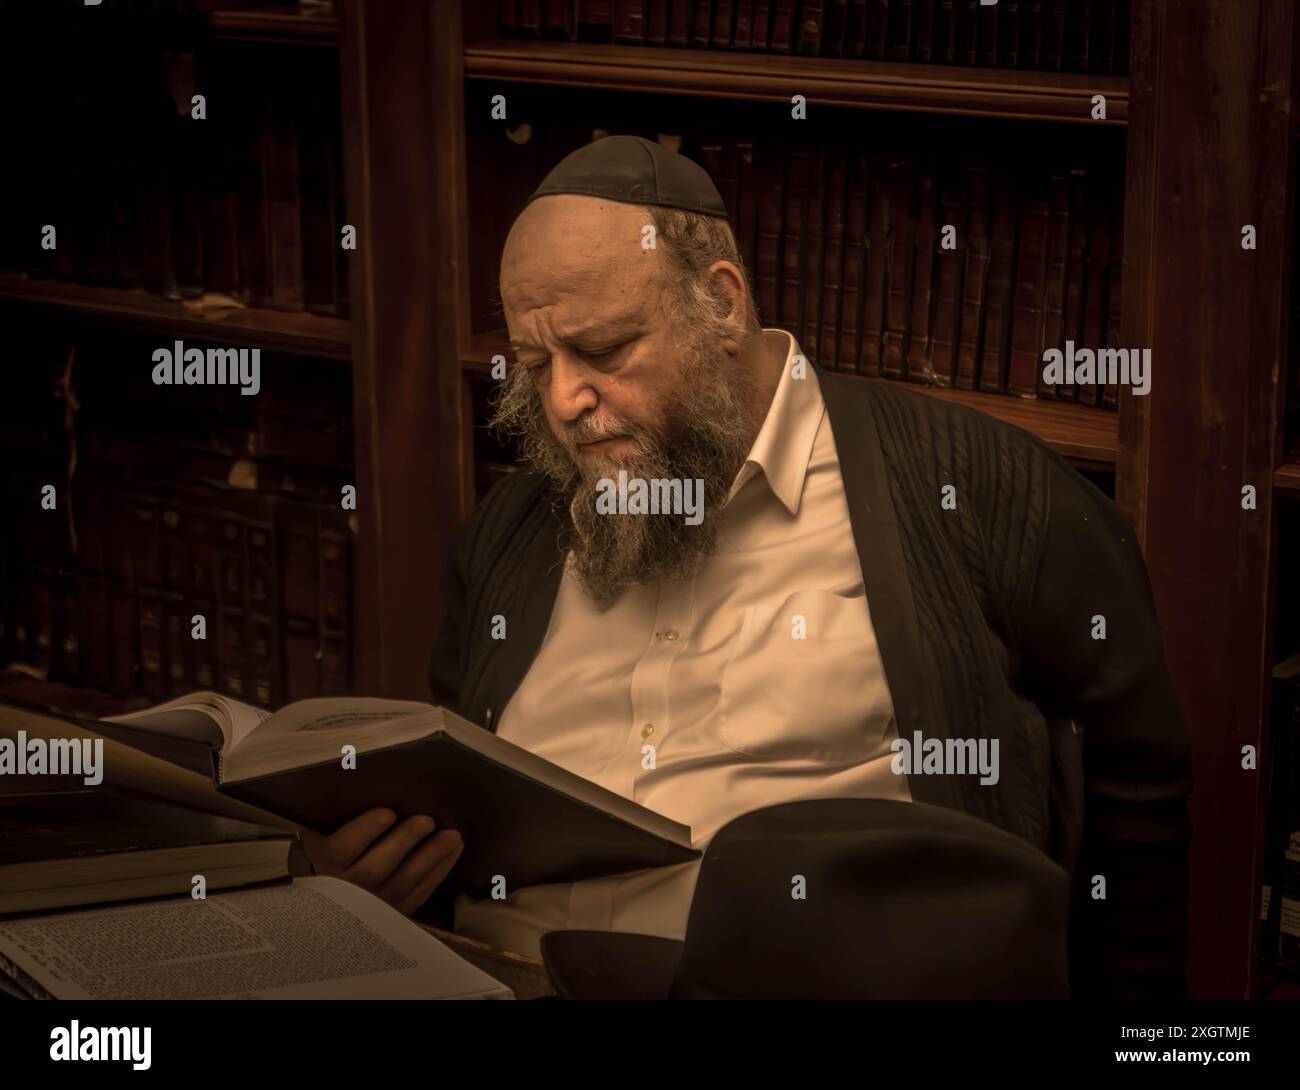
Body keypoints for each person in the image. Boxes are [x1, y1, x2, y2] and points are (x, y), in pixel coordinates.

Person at [300, 135, 1193, 998]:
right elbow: (457, 794)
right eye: (535, 364)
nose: (565, 400)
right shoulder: (510, 532)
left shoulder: (978, 491)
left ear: (722, 303)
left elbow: (1138, 785)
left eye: (604, 349)